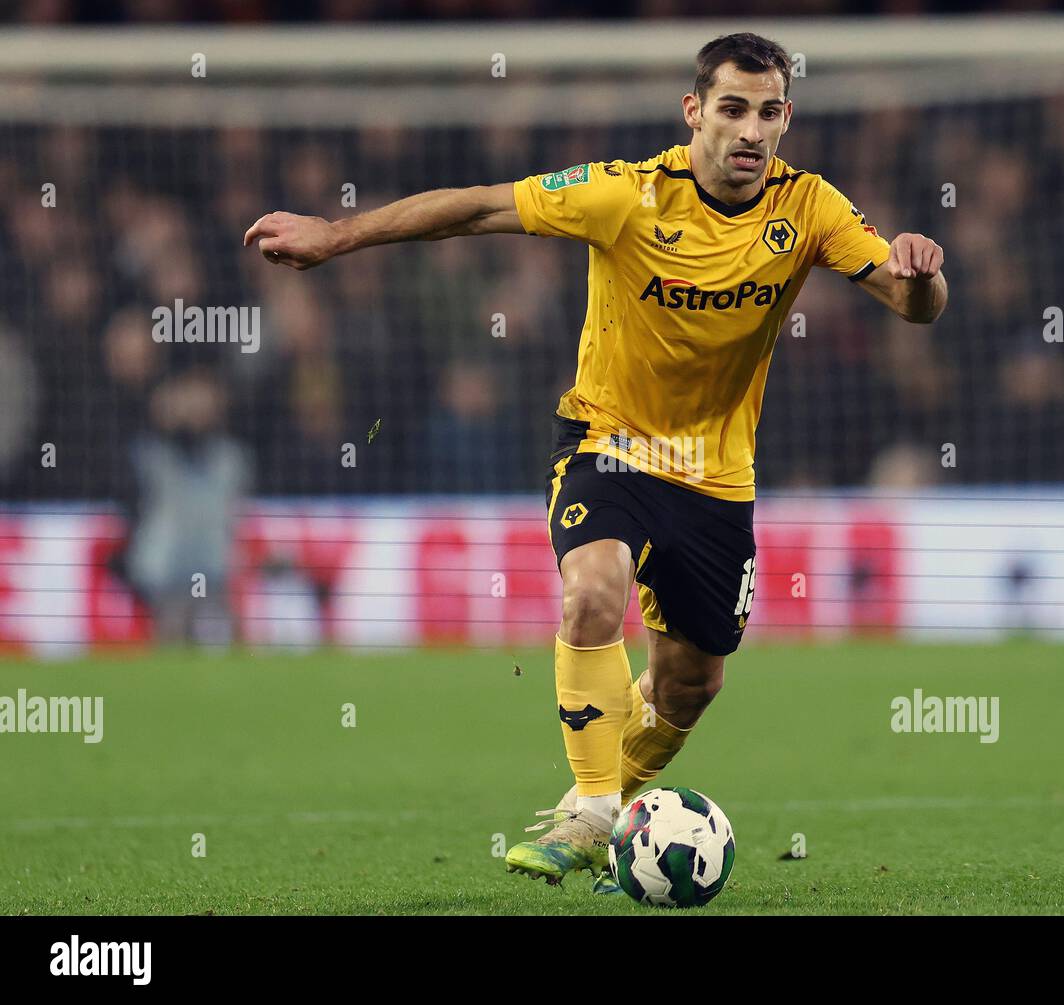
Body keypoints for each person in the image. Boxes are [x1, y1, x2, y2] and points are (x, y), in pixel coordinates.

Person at [243, 32, 946, 891]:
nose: (751, 131)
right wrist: (336, 236)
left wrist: (920, 272)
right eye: (732, 109)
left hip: (717, 476)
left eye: (769, 113)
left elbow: (913, 307)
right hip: (606, 443)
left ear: (786, 119)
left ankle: (614, 816)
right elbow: (474, 208)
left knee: (690, 685)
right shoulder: (625, 193)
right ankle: (589, 809)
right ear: (695, 112)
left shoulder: (809, 208)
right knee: (593, 587)